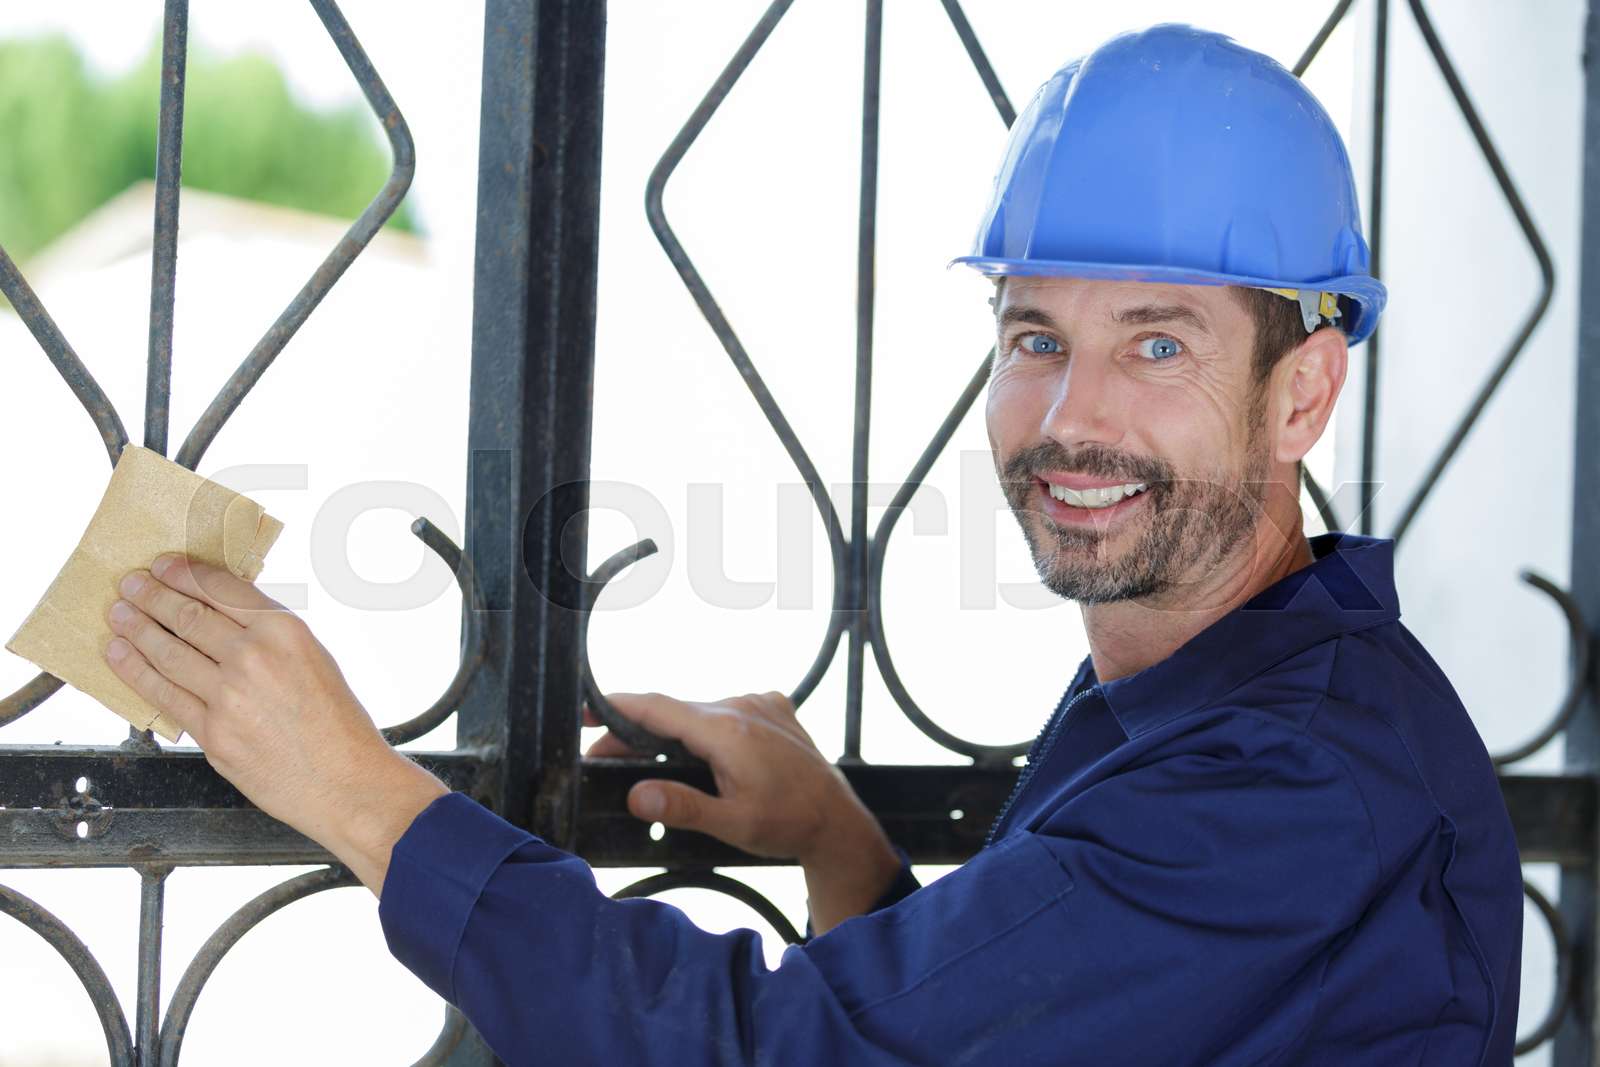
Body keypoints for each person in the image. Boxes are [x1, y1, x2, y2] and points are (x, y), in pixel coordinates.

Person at [98, 23, 1522, 1065]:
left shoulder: (1290, 781)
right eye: (1035, 337)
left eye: (1158, 342)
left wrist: (356, 793)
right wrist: (842, 844)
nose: (1071, 416)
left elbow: (775, 1059)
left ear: (1303, 391)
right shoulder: (1207, 696)